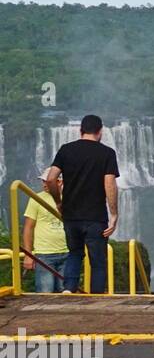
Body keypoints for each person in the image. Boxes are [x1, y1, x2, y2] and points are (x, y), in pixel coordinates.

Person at [45, 115, 120, 294]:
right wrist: (114, 214)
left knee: (75, 253)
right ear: (100, 131)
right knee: (98, 261)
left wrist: (58, 202)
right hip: (95, 216)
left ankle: (69, 289)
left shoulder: (65, 150)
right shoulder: (107, 153)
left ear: (80, 130)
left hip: (71, 215)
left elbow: (51, 179)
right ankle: (96, 297)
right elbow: (109, 183)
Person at [22, 174, 69, 292]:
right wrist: (28, 255)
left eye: (47, 181)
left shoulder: (70, 198)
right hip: (44, 255)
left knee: (67, 295)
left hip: (68, 254)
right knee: (45, 293)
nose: (44, 184)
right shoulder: (36, 198)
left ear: (59, 182)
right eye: (43, 181)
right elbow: (28, 228)